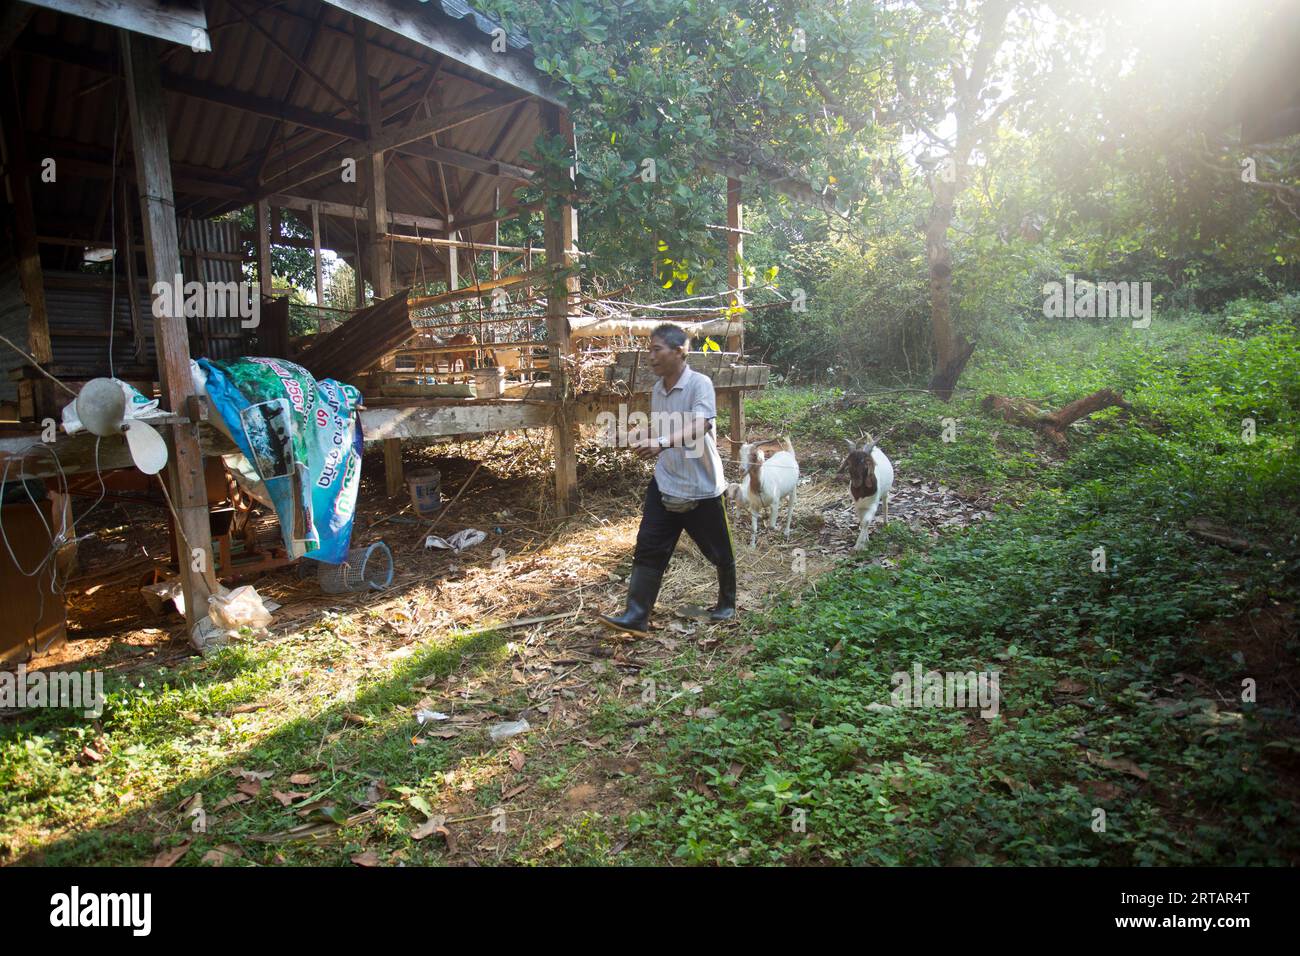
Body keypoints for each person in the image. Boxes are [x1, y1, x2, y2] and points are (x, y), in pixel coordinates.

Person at [599, 323, 737, 636]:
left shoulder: (699, 385)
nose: (650, 356)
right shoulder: (658, 391)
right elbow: (659, 429)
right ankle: (636, 615)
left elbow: (701, 425)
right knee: (649, 545)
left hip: (701, 487)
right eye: (649, 349)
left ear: (679, 351)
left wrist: (660, 444)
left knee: (718, 551)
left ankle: (726, 603)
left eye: (656, 349)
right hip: (666, 481)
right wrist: (630, 436)